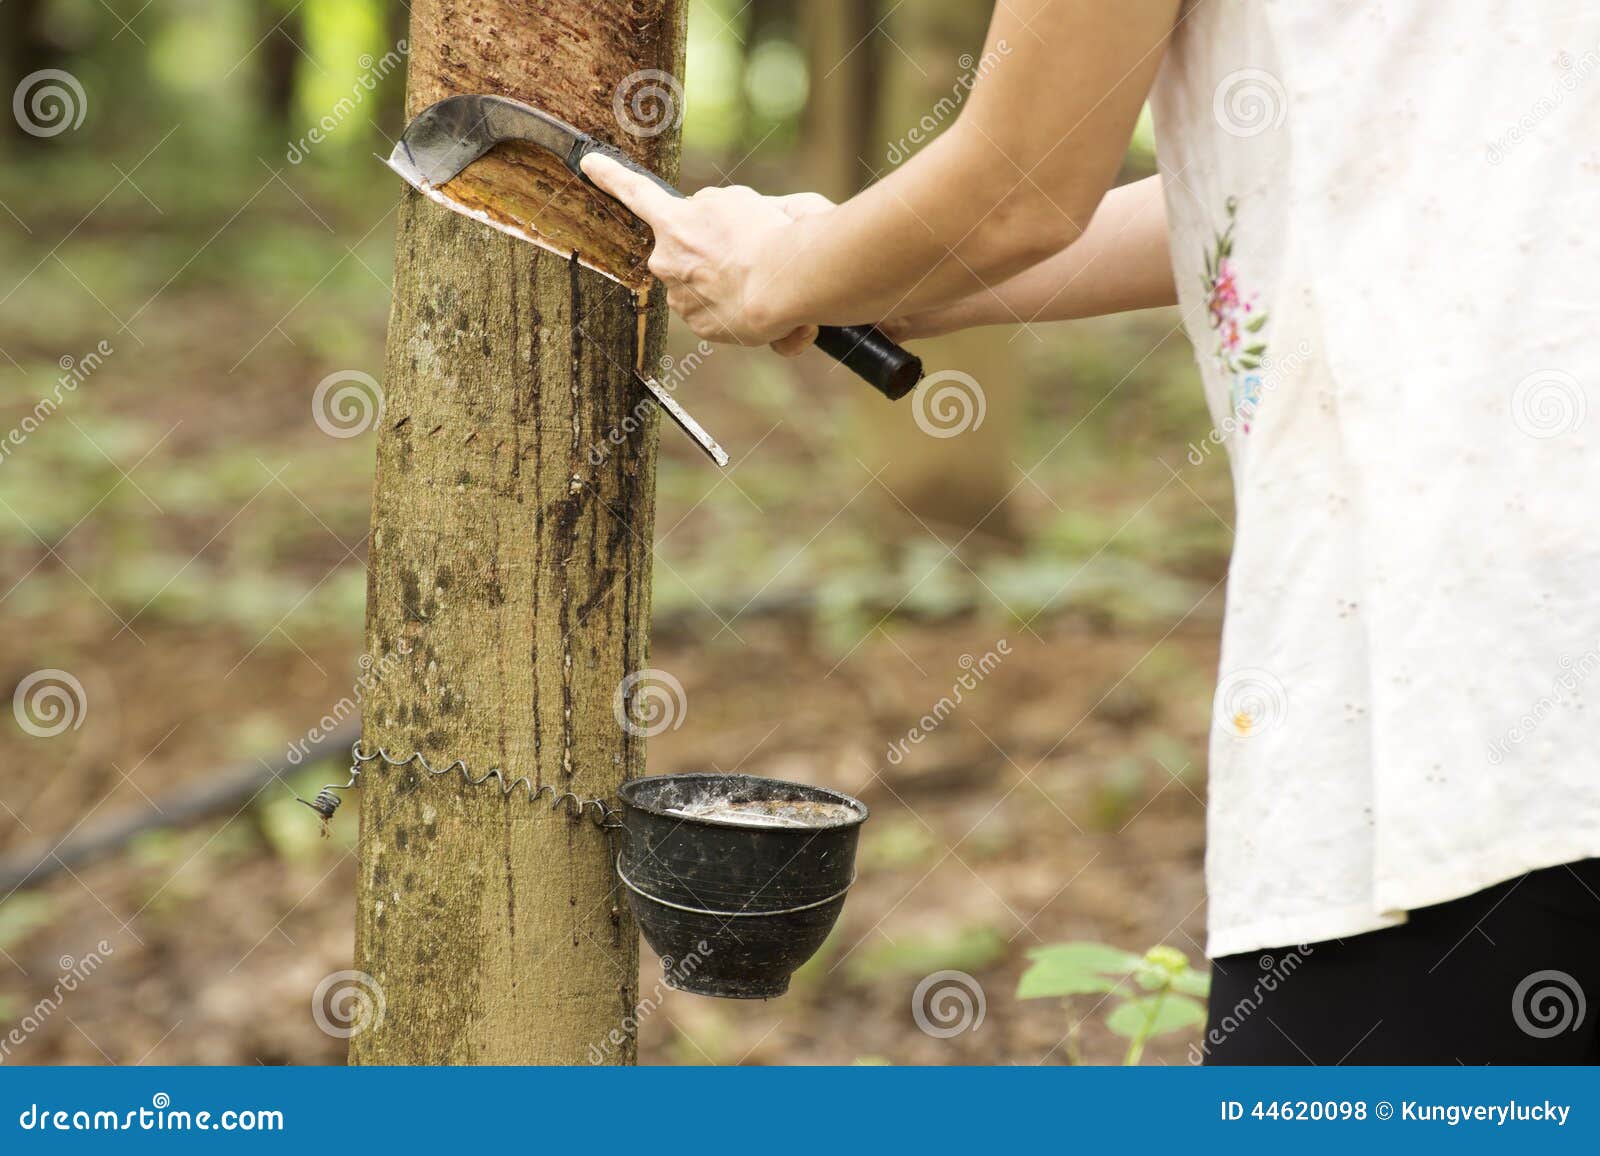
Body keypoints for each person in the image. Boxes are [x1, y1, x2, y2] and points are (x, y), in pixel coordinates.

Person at [582, 1, 1600, 1064]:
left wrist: (774, 272)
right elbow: (1286, 179)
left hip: (1462, 670)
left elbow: (1023, 176)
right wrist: (860, 266)